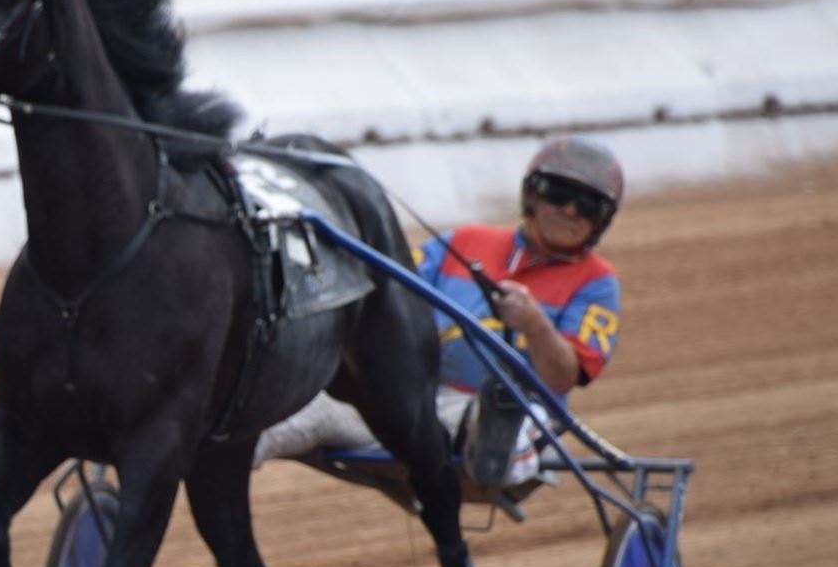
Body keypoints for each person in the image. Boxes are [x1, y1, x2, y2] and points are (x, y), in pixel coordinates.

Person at [253, 135, 624, 487]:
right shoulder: (464, 241)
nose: (570, 210)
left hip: (505, 413)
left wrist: (533, 323)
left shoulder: (598, 283)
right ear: (533, 195)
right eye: (558, 194)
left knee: (501, 418)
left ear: (602, 219)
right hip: (411, 403)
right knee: (289, 417)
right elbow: (387, 299)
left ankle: (501, 444)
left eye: (588, 205)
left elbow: (560, 379)